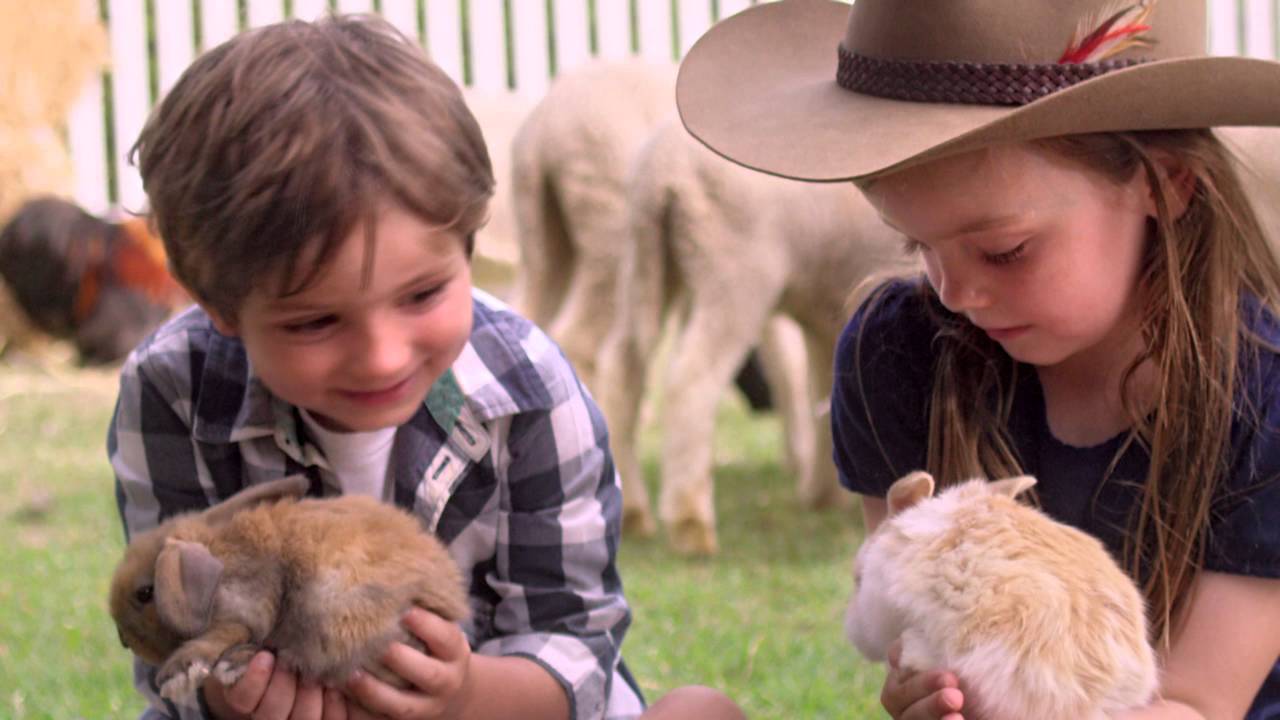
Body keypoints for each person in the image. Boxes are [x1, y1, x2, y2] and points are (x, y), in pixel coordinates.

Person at [108, 14, 745, 720]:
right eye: (315, 321)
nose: (382, 354)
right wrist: (242, 699)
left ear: (469, 242)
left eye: (423, 294)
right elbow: (170, 640)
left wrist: (464, 694)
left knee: (700, 710)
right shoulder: (174, 389)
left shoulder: (530, 386)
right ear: (220, 306)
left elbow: (575, 647)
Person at [676, 0, 1280, 718]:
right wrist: (916, 690)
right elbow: (905, 637)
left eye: (1005, 251)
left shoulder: (1263, 404)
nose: (956, 293)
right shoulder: (898, 352)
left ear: (1165, 183)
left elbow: (1197, 704)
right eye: (915, 245)